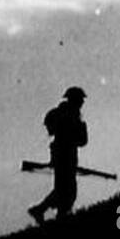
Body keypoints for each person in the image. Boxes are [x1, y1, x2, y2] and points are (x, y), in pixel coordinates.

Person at [30, 87, 89, 221]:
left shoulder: (65, 113)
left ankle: (46, 211)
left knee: (64, 190)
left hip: (63, 155)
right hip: (65, 156)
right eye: (80, 100)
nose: (82, 103)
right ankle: (46, 211)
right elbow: (79, 140)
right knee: (67, 190)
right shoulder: (70, 115)